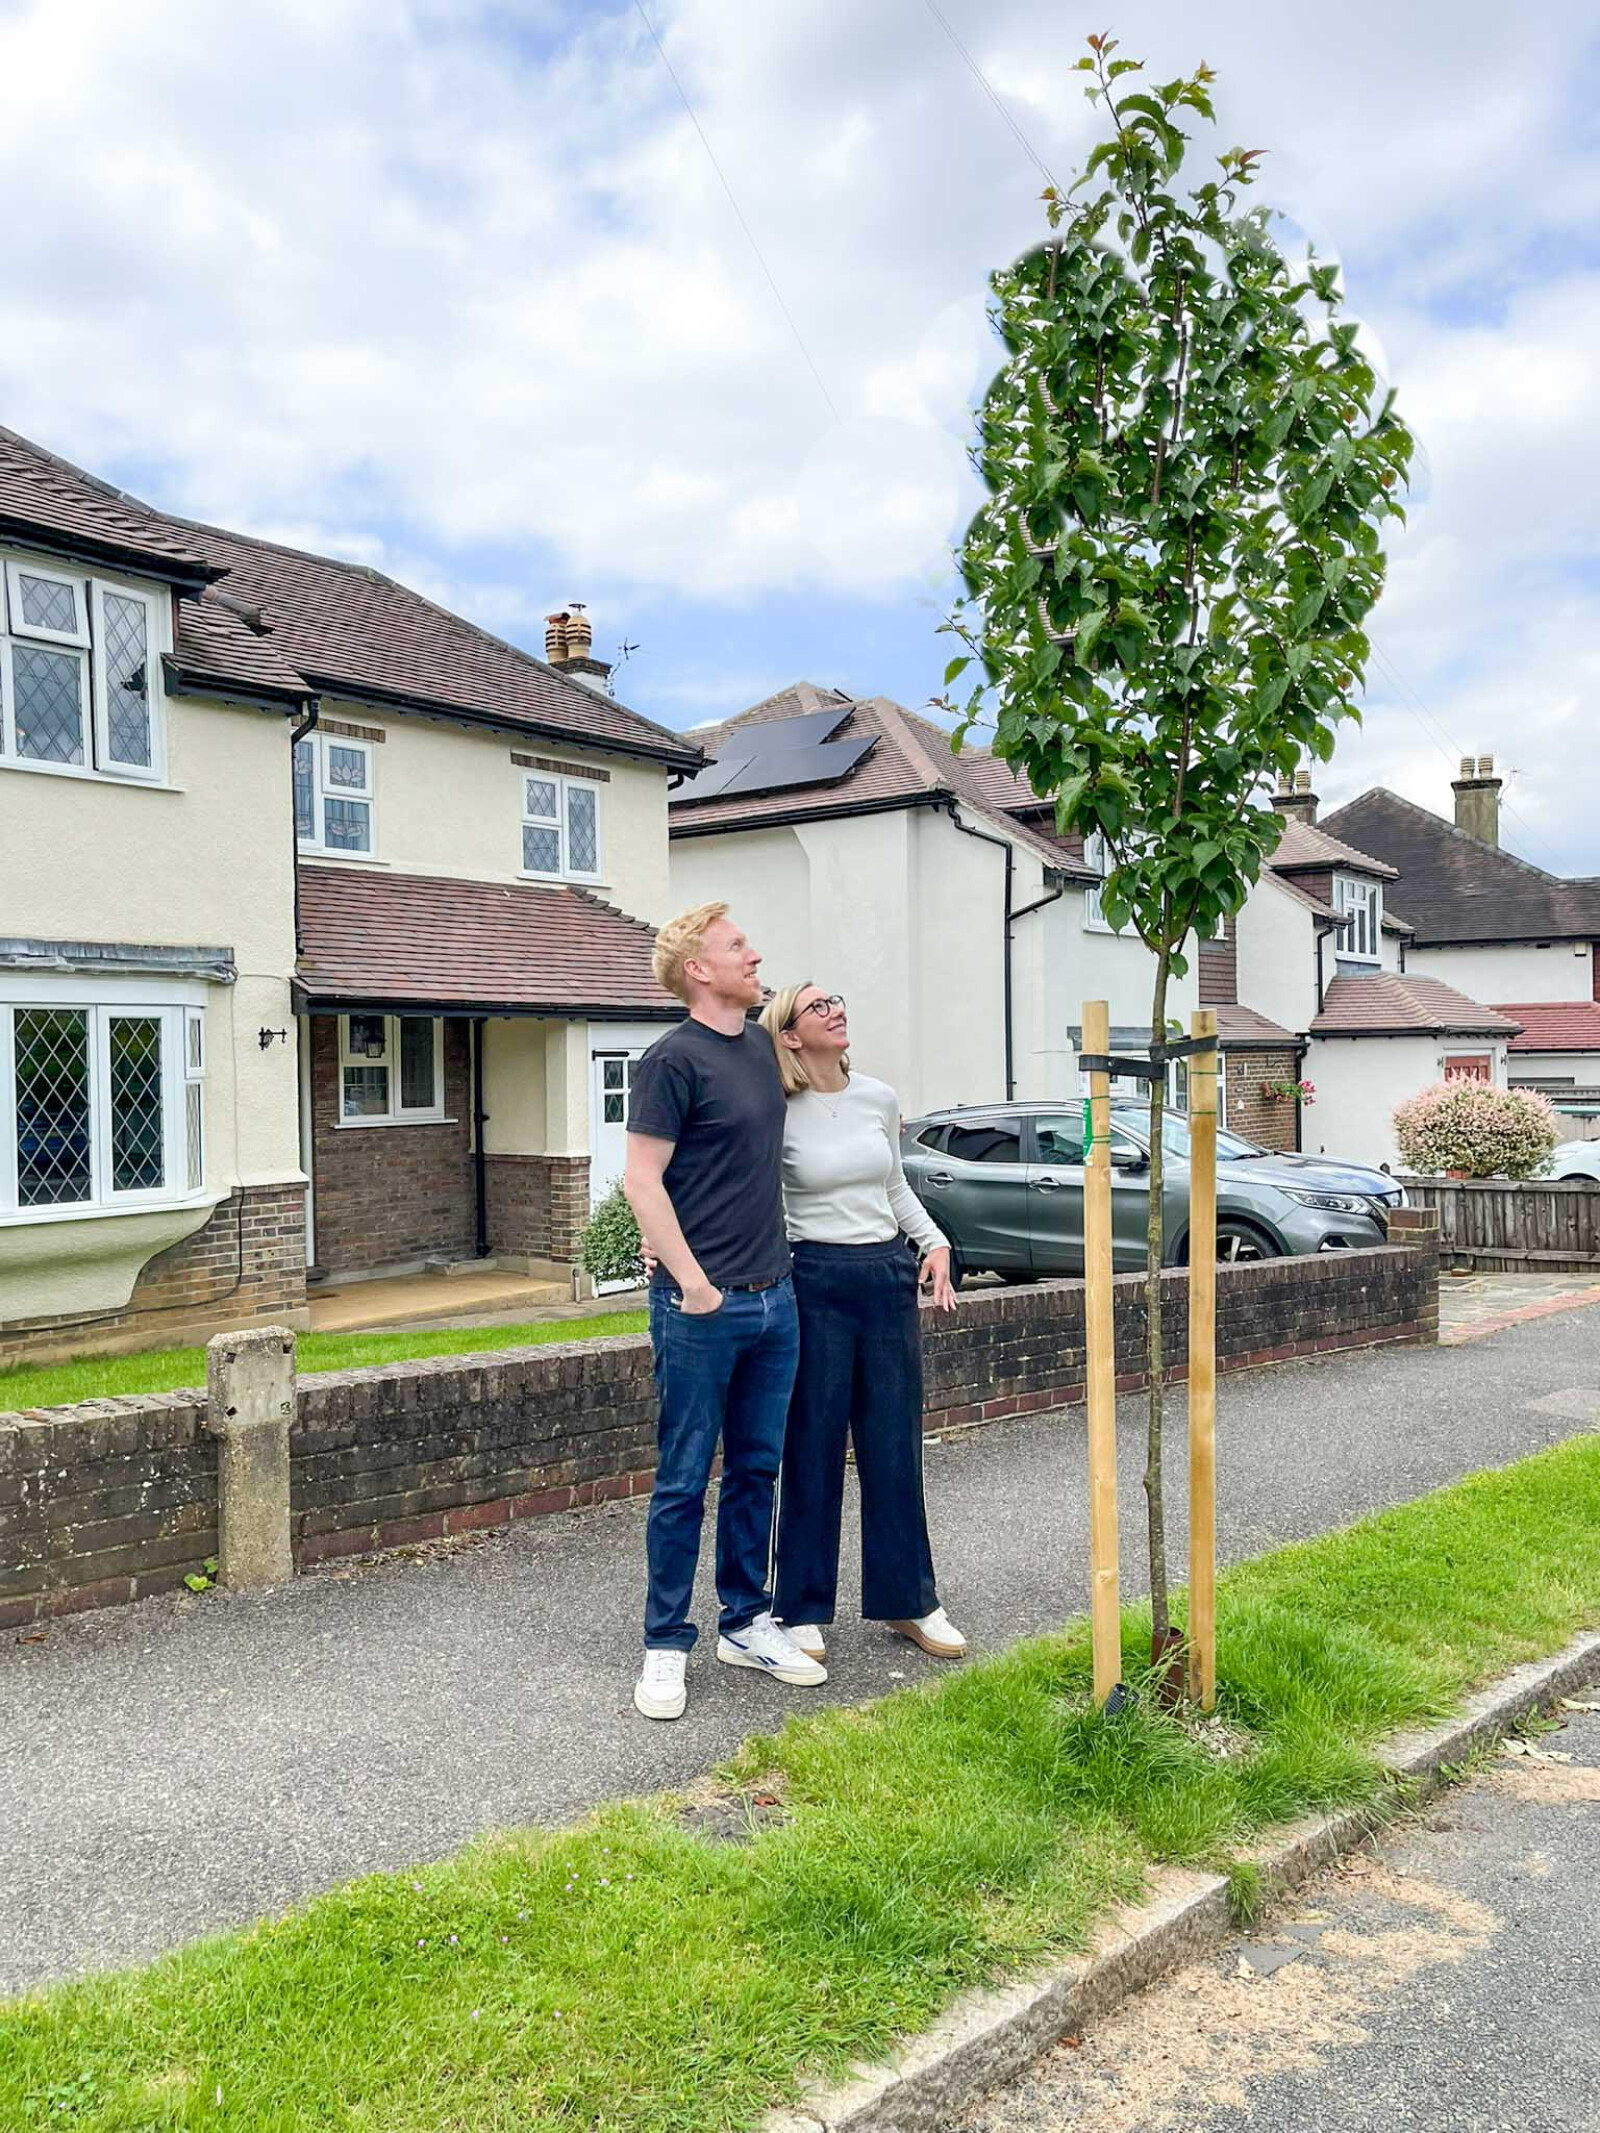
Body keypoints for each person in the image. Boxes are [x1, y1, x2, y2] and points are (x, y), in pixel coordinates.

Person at [622, 903, 827, 1723]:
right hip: (699, 1306)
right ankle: (665, 1642)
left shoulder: (761, 1047)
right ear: (698, 970)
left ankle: (745, 1621)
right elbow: (642, 1179)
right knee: (682, 1480)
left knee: (756, 1470)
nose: (755, 952)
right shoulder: (671, 1060)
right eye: (738, 945)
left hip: (777, 1297)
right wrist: (691, 1280)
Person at [759, 982, 968, 1663]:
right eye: (818, 1006)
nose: (835, 1010)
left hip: (885, 1274)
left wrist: (934, 1242)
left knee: (893, 1443)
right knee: (812, 1444)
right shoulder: (777, 1109)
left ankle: (911, 1600)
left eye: (838, 1000)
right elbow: (757, 1197)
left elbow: (894, 1186)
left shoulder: (878, 1096)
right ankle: (799, 1607)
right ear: (790, 1034)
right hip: (812, 1278)